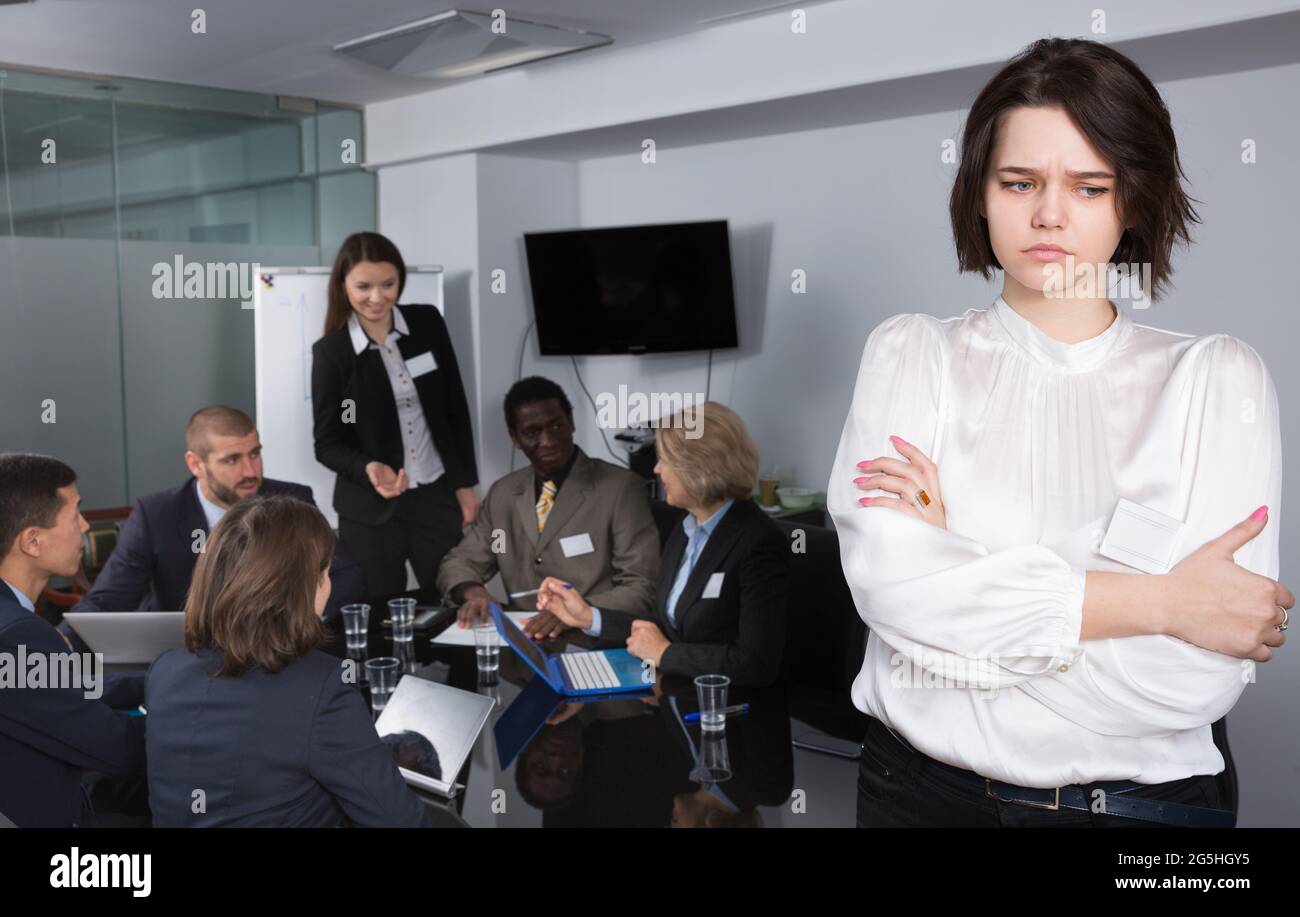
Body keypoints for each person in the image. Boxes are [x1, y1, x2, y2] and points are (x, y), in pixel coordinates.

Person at [827, 37, 1294, 828]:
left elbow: (1194, 680)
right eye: (1020, 182)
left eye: (1088, 186)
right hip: (920, 799)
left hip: (1147, 817)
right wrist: (1163, 600)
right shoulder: (912, 354)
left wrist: (960, 600)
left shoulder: (1218, 380)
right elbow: (892, 589)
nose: (1049, 213)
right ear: (980, 193)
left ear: (1134, 200)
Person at [145, 494, 433, 827]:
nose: (329, 584)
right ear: (302, 586)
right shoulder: (322, 689)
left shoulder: (164, 672)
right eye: (325, 572)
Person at [60, 405, 364, 651]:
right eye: (232, 460)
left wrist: (302, 620)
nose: (250, 471)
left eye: (255, 454)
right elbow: (109, 598)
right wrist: (57, 642)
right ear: (195, 464)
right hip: (191, 653)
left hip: (282, 651)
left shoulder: (292, 500)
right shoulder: (156, 514)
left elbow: (345, 572)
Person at [532, 402, 789, 687]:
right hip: (678, 695)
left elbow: (755, 664)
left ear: (698, 467)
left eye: (664, 460)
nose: (656, 469)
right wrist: (588, 617)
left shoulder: (758, 542)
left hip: (734, 713)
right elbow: (666, 624)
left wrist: (665, 654)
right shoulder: (685, 528)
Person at [311, 231, 480, 598]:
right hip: (369, 509)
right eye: (363, 286)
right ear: (343, 286)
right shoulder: (333, 353)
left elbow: (454, 408)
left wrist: (464, 485)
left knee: (449, 600)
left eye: (388, 284)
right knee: (377, 613)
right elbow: (327, 444)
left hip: (435, 496)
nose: (377, 297)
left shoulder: (427, 324)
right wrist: (368, 467)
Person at [436, 376, 659, 628]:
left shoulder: (620, 489)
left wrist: (578, 613)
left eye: (556, 426)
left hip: (590, 637)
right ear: (514, 438)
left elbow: (641, 586)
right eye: (532, 432)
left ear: (571, 422)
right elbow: (461, 561)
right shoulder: (504, 495)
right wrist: (476, 594)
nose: (548, 441)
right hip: (524, 640)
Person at [0, 453, 146, 827]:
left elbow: (70, 688)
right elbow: (118, 750)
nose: (85, 527)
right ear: (32, 541)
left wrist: (160, 681)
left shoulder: (17, 623)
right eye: (76, 513)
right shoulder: (19, 635)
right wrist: (209, 713)